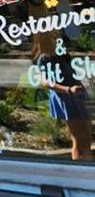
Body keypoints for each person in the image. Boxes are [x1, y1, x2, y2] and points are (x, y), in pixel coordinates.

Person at [31, 31, 92, 161]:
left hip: (78, 95)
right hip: (67, 97)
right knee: (78, 139)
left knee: (87, 138)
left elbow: (73, 73)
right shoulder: (44, 58)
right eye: (52, 36)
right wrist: (68, 90)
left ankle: (88, 162)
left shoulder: (62, 54)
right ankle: (81, 169)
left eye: (56, 36)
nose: (56, 39)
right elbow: (45, 82)